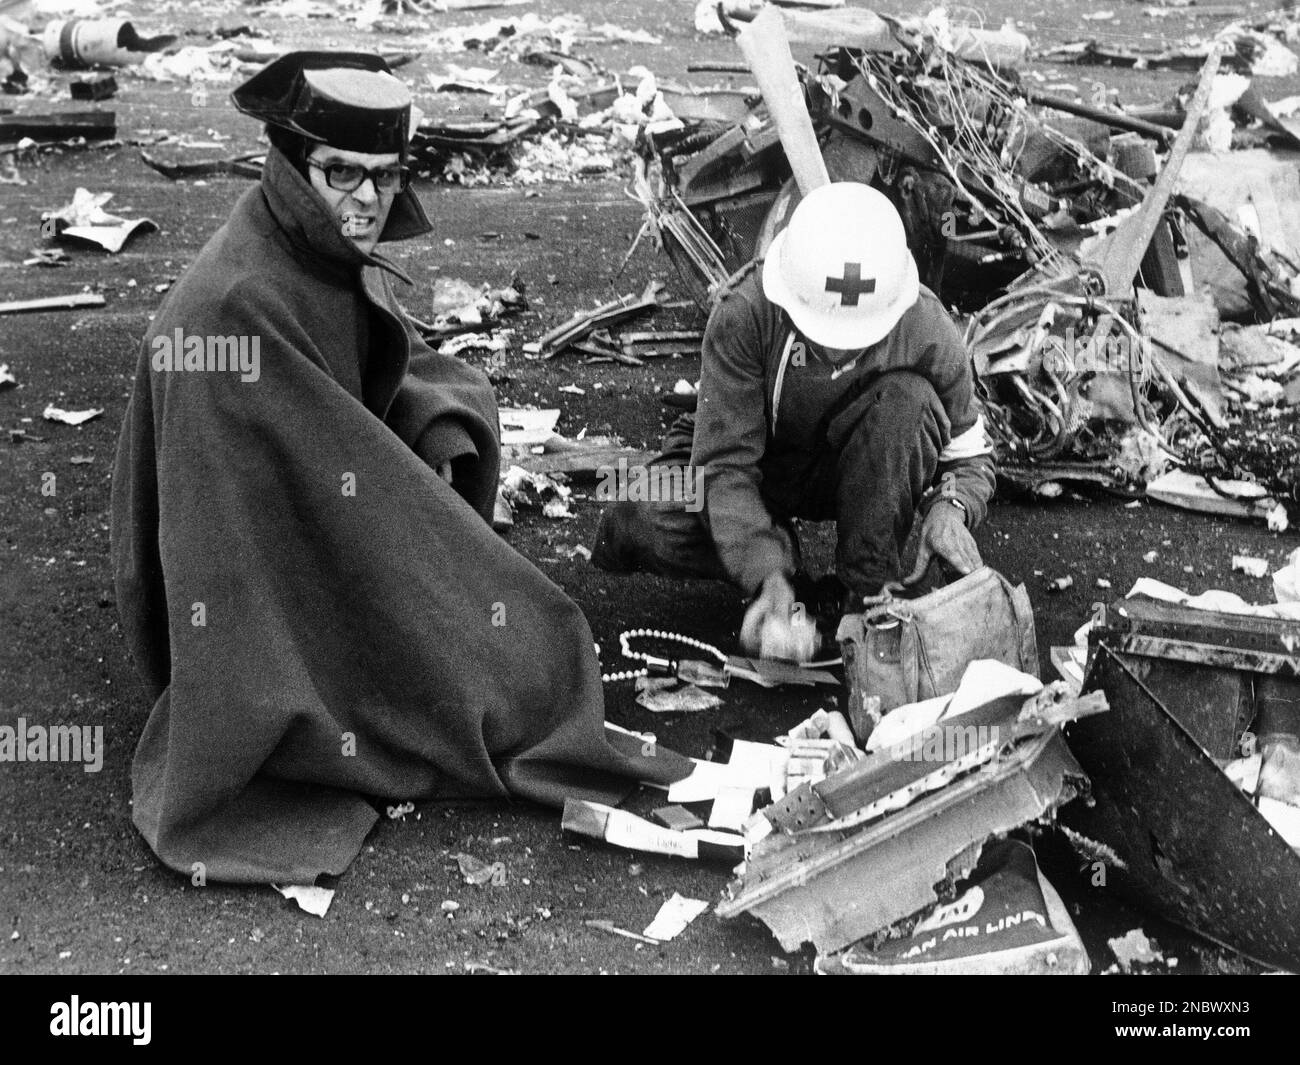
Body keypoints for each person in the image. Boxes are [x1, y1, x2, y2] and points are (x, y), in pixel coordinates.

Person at [111, 52, 686, 885]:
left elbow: (386, 364)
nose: (368, 202)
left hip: (314, 510)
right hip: (245, 589)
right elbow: (245, 531)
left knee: (470, 463)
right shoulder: (233, 310)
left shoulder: (304, 238)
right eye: (342, 174)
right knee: (532, 667)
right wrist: (415, 554)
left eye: (385, 178)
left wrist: (441, 431)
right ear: (288, 162)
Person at [592, 181, 996, 659]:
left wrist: (953, 505)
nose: (839, 349)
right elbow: (724, 467)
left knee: (911, 401)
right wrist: (767, 572)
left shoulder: (926, 324)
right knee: (638, 514)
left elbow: (971, 458)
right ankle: (785, 576)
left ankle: (860, 597)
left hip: (848, 468)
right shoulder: (745, 313)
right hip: (753, 466)